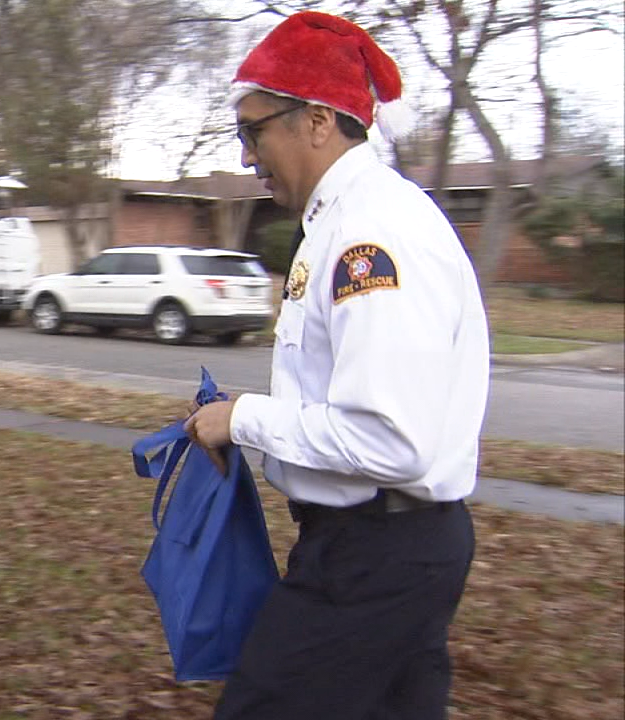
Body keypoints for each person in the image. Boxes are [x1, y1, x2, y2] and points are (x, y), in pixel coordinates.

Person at [184, 12, 489, 720]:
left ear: (318, 120)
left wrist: (244, 420)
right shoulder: (346, 222)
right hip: (381, 548)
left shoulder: (368, 237)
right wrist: (241, 418)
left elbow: (390, 439)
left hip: (373, 559)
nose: (247, 156)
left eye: (253, 131)